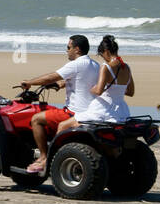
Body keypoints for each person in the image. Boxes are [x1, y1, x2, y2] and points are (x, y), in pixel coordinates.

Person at [18, 34, 101, 173]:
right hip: (91, 112)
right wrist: (60, 85)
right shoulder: (94, 65)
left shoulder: (76, 64)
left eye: (68, 47)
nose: (66, 50)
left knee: (36, 119)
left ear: (77, 49)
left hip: (73, 112)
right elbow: (80, 81)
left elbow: (51, 76)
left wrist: (30, 83)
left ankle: (44, 157)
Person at [58, 35, 133, 130]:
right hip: (122, 110)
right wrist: (116, 90)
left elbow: (98, 91)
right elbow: (130, 92)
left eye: (102, 55)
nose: (103, 58)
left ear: (106, 52)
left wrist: (92, 88)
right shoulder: (126, 67)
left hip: (104, 109)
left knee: (62, 126)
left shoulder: (106, 67)